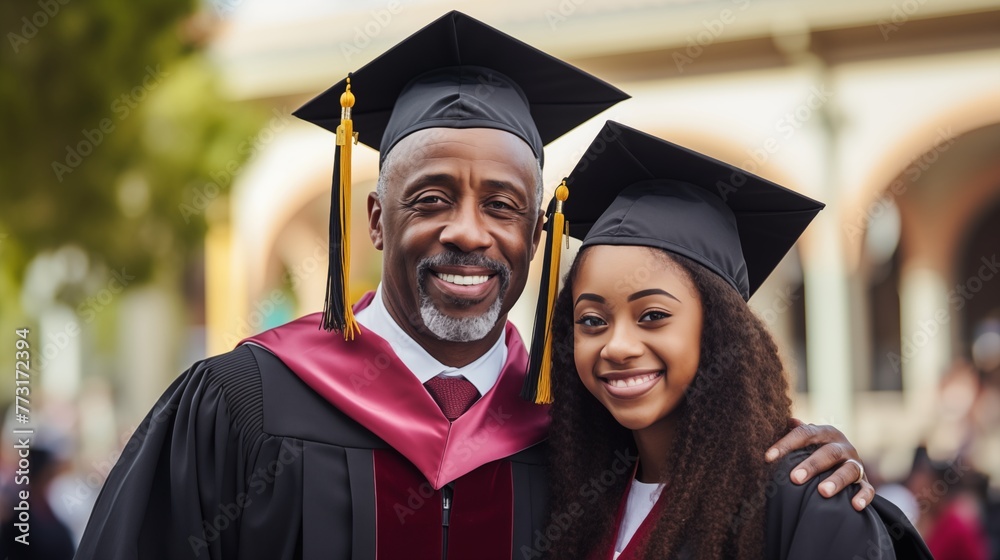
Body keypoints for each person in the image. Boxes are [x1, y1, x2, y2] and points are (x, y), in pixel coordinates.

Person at [76, 13, 876, 560]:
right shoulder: (240, 405)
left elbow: (711, 454)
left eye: (502, 205)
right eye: (430, 200)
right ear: (377, 219)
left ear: (536, 233)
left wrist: (807, 462)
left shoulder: (573, 435)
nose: (468, 232)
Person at [542, 121, 933, 559]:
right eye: (592, 320)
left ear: (719, 329)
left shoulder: (802, 497)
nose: (617, 346)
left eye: (653, 316)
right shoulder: (573, 498)